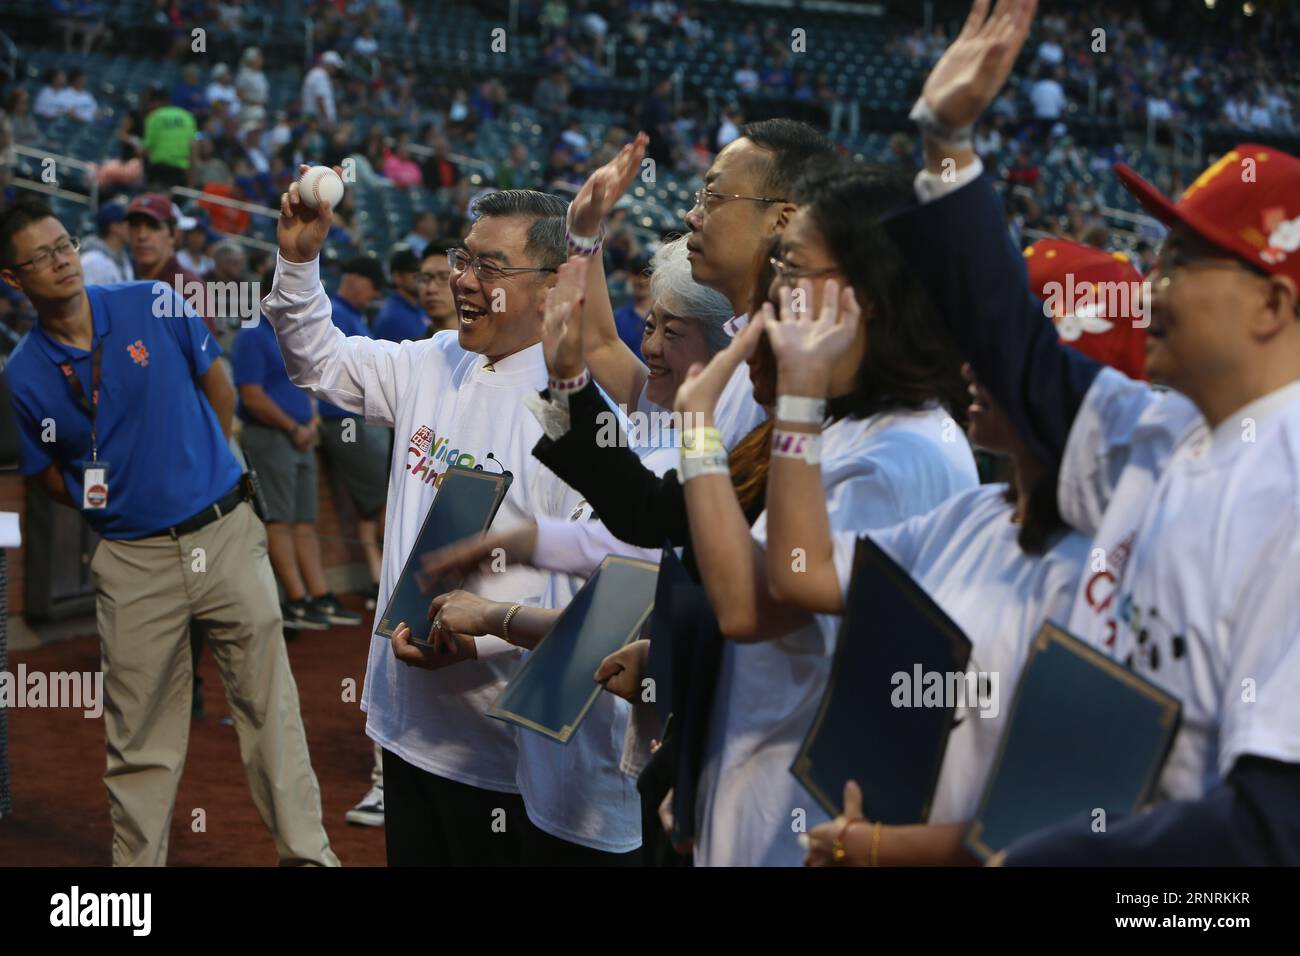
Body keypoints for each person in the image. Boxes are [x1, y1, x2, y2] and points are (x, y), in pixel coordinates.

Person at [885, 0, 1300, 865]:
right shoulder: (1165, 431)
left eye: (1185, 259)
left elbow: (1272, 823)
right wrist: (948, 141)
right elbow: (1016, 349)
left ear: (1274, 303)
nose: (1149, 281)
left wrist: (1045, 860)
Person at [775, 238, 1150, 866]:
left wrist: (869, 848)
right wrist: (797, 401)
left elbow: (1061, 823)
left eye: (997, 346)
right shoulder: (975, 514)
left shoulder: (1101, 570)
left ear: (1066, 379)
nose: (969, 361)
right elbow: (802, 574)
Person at [0, 199, 337, 866]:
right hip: (132, 557)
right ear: (13, 281)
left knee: (270, 711)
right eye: (38, 258)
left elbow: (219, 388)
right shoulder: (21, 376)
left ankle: (308, 858)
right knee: (140, 736)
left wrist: (199, 466)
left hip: (226, 528)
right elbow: (46, 477)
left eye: (63, 245)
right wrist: (120, 508)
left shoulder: (152, 300)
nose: (60, 261)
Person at [668, 157, 978, 867]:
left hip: (811, 831)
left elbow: (749, 606)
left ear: (868, 292)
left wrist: (698, 433)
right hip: (763, 804)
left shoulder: (906, 453)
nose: (775, 292)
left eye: (793, 268)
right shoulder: (849, 428)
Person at [264, 179, 581, 866]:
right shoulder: (431, 360)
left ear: (553, 287)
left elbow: (588, 596)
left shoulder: (573, 413)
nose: (465, 280)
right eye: (462, 258)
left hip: (501, 746)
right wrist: (297, 263)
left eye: (490, 267)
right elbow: (315, 360)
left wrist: (482, 637)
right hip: (406, 726)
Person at [232, 268, 360, 632]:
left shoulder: (285, 334)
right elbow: (251, 396)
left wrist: (311, 425)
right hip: (271, 436)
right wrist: (293, 427)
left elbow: (310, 385)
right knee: (280, 520)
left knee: (304, 520)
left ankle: (317, 595)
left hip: (301, 434)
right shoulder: (251, 334)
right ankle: (296, 598)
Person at [315, 256, 388, 601]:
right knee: (383, 502)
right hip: (347, 419)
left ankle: (378, 578)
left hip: (358, 419)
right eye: (371, 289)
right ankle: (389, 578)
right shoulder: (335, 312)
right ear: (356, 280)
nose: (372, 297)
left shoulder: (351, 313)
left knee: (370, 505)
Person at [125, 193, 217, 336]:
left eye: (153, 226)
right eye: (135, 226)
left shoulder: (188, 287)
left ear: (173, 234)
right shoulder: (127, 278)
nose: (142, 235)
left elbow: (204, 353)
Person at [142, 86, 198, 190]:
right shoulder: (187, 116)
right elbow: (193, 150)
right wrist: (192, 181)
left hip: (158, 170)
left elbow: (147, 150)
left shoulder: (153, 117)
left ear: (156, 102)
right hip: (180, 171)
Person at [372, 247, 430, 342]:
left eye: (422, 270)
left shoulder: (419, 307)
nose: (420, 275)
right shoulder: (392, 317)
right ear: (397, 277)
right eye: (413, 270)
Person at [79, 203, 134, 286]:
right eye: (129, 224)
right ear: (115, 227)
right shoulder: (91, 261)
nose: (132, 229)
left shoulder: (123, 256)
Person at [611, 254, 651, 357]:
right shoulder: (617, 318)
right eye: (637, 274)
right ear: (629, 276)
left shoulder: (665, 316)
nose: (641, 281)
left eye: (646, 275)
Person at [415, 239, 458, 335]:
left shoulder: (489, 347)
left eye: (443, 277)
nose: (431, 289)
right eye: (425, 279)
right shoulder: (413, 349)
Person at [302, 52, 343, 127]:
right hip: (317, 121)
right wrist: (327, 122)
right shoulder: (320, 75)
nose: (335, 70)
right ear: (328, 64)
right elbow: (320, 99)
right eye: (334, 66)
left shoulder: (315, 74)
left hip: (315, 119)